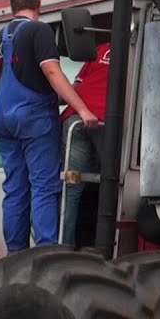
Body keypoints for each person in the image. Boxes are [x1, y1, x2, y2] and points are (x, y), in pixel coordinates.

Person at [0, 0, 98, 253]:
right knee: (44, 186)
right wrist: (82, 108)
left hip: (3, 118)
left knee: (15, 188)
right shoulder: (39, 31)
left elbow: (15, 80)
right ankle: (47, 251)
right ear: (39, 7)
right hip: (33, 118)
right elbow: (50, 71)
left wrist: (62, 96)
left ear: (12, 7)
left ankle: (15, 253)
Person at [58, 40, 111, 246]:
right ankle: (104, 250)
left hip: (75, 121)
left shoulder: (99, 49)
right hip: (106, 122)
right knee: (115, 185)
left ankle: (64, 250)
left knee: (71, 187)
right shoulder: (142, 51)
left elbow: (76, 87)